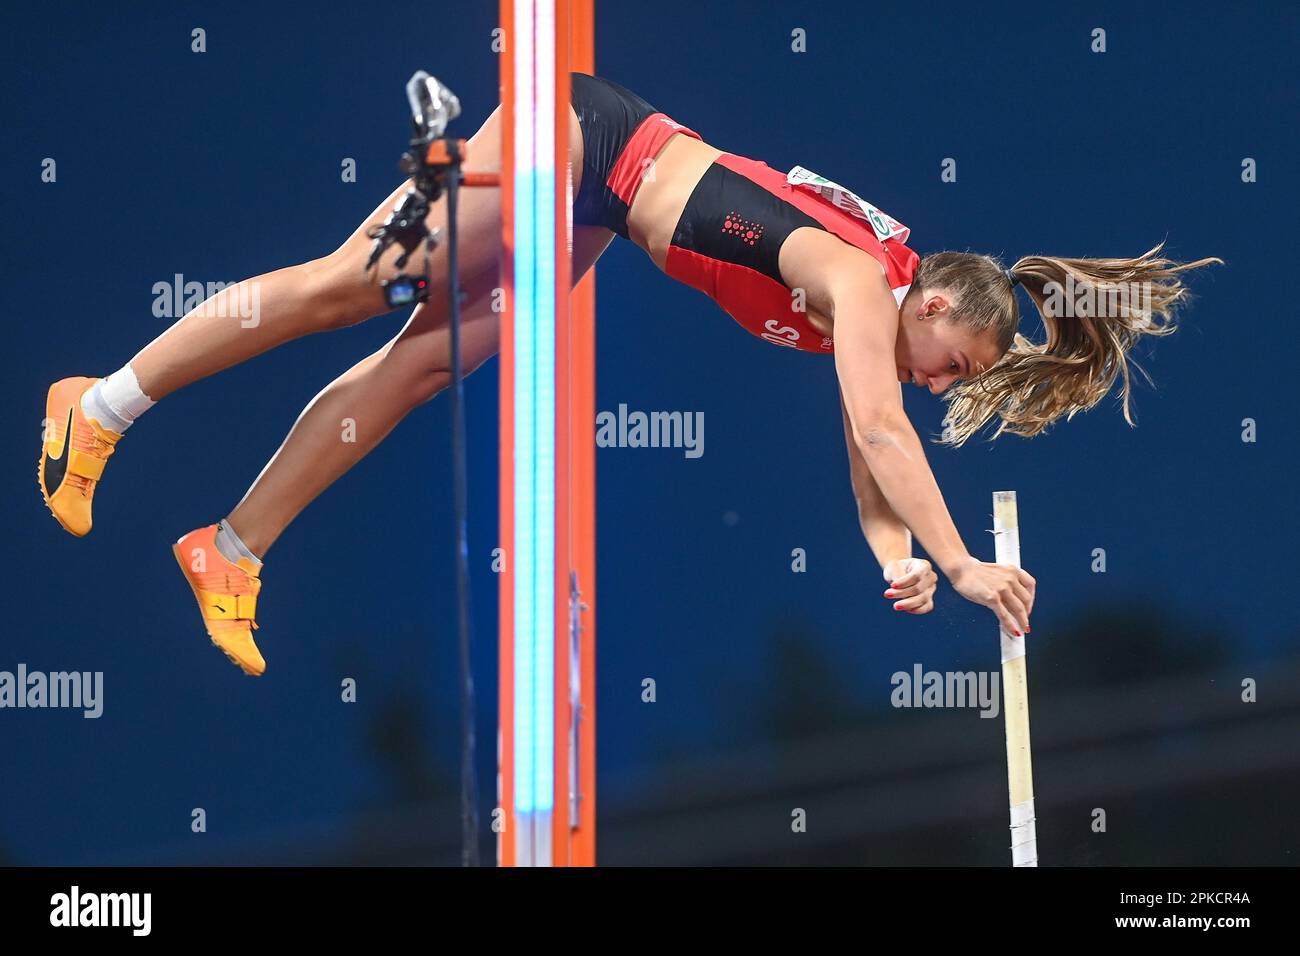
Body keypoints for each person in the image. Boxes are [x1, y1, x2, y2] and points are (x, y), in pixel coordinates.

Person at [38, 73, 1219, 675]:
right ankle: (96, 407)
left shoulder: (879, 300)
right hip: (586, 138)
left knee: (428, 364)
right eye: (948, 363)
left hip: (601, 206)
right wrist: (958, 563)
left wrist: (894, 555)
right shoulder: (866, 282)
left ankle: (229, 550)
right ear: (938, 303)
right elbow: (877, 428)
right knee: (356, 283)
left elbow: (869, 435)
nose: (931, 381)